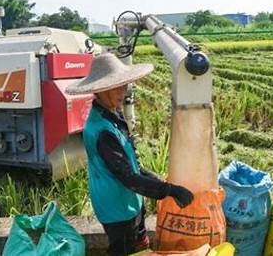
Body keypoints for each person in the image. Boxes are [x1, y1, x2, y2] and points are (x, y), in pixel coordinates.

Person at [66, 53, 194, 256]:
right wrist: (170, 190)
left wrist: (154, 179)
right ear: (102, 89)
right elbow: (128, 178)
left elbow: (128, 163)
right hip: (117, 209)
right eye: (118, 86)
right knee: (123, 251)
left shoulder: (110, 115)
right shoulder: (102, 130)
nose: (124, 91)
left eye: (125, 85)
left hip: (128, 201)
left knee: (139, 246)